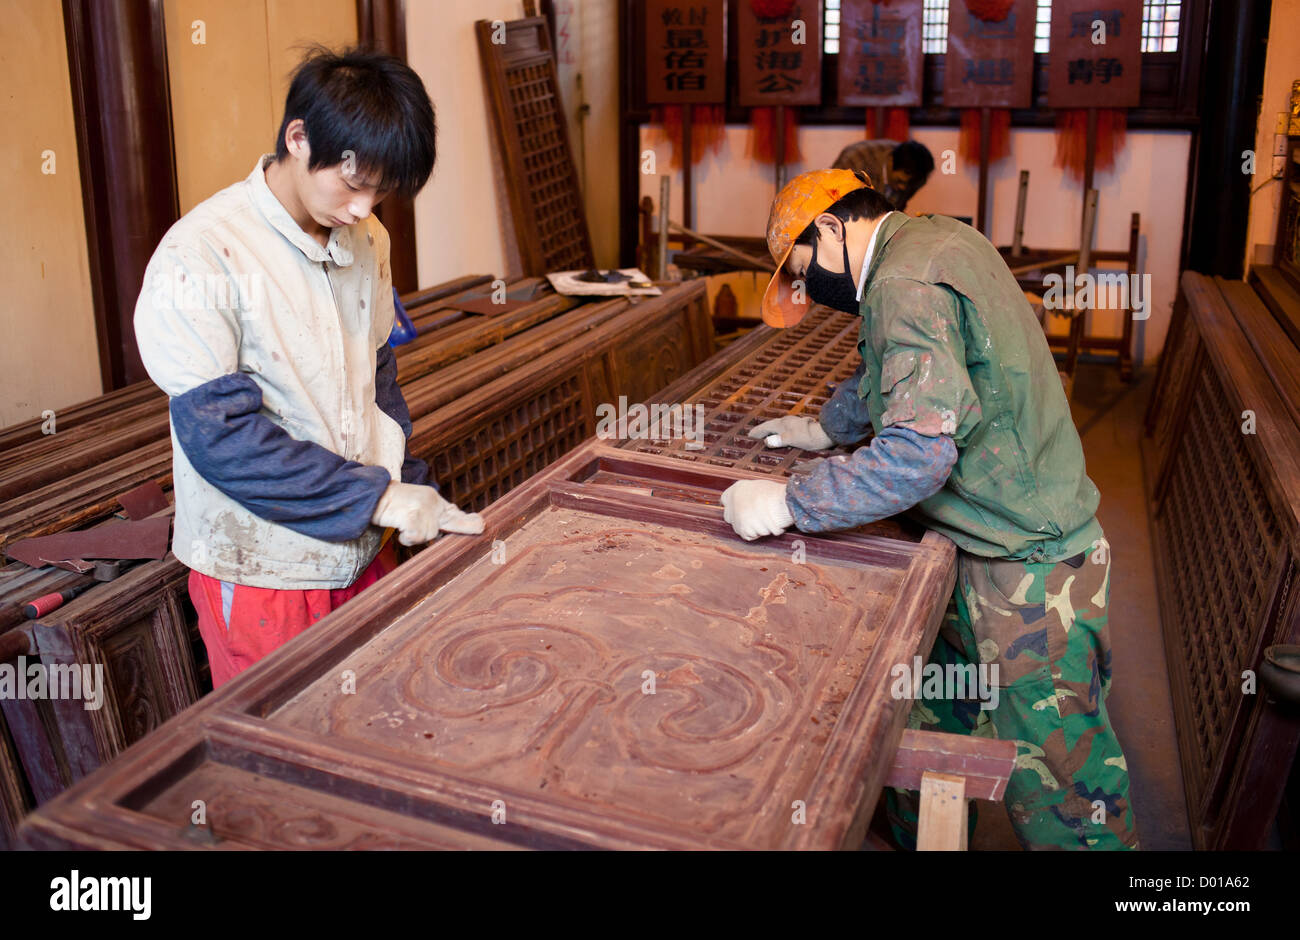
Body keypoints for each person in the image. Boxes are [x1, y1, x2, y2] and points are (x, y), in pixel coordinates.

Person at [719, 169, 1139, 850]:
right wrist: (828, 428)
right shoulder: (936, 241)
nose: (813, 293)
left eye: (806, 272)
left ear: (831, 227)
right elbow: (904, 368)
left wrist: (792, 500)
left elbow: (919, 453)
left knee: (1067, 790)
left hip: (1027, 570)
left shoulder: (900, 285)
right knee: (926, 723)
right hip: (983, 541)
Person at [134, 47, 483, 688]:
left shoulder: (366, 239)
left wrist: (409, 482)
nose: (362, 207)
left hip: (362, 546)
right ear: (299, 138)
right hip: (266, 570)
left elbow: (376, 380)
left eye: (381, 191)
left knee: (374, 726)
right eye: (353, 184)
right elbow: (223, 439)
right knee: (284, 754)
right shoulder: (202, 255)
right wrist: (375, 496)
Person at [831, 138, 934, 210]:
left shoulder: (917, 175)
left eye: (909, 185)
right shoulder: (855, 160)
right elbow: (832, 203)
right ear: (890, 161)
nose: (903, 188)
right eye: (900, 181)